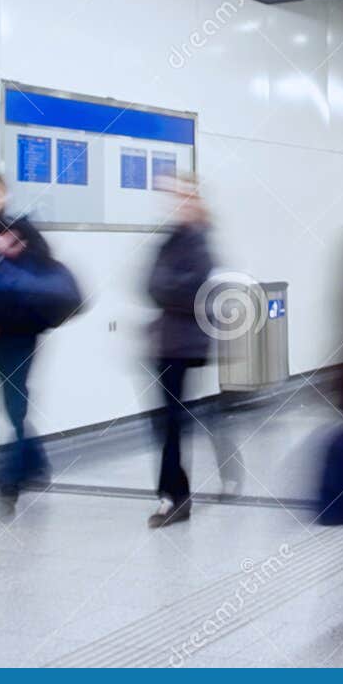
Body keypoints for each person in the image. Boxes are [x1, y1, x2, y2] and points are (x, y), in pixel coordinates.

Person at [0, 171, 54, 517]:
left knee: (16, 404)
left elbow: (47, 266)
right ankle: (35, 463)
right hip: (0, 333)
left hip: (24, 330)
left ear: (3, 195)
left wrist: (15, 251)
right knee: (13, 402)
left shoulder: (23, 230)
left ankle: (7, 486)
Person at [145, 174, 215, 529]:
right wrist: (169, 286)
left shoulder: (199, 240)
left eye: (182, 195)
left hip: (186, 344)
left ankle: (173, 497)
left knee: (172, 421)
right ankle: (175, 493)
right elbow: (149, 284)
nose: (176, 202)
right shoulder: (169, 240)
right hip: (166, 342)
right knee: (167, 421)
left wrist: (167, 287)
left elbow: (192, 291)